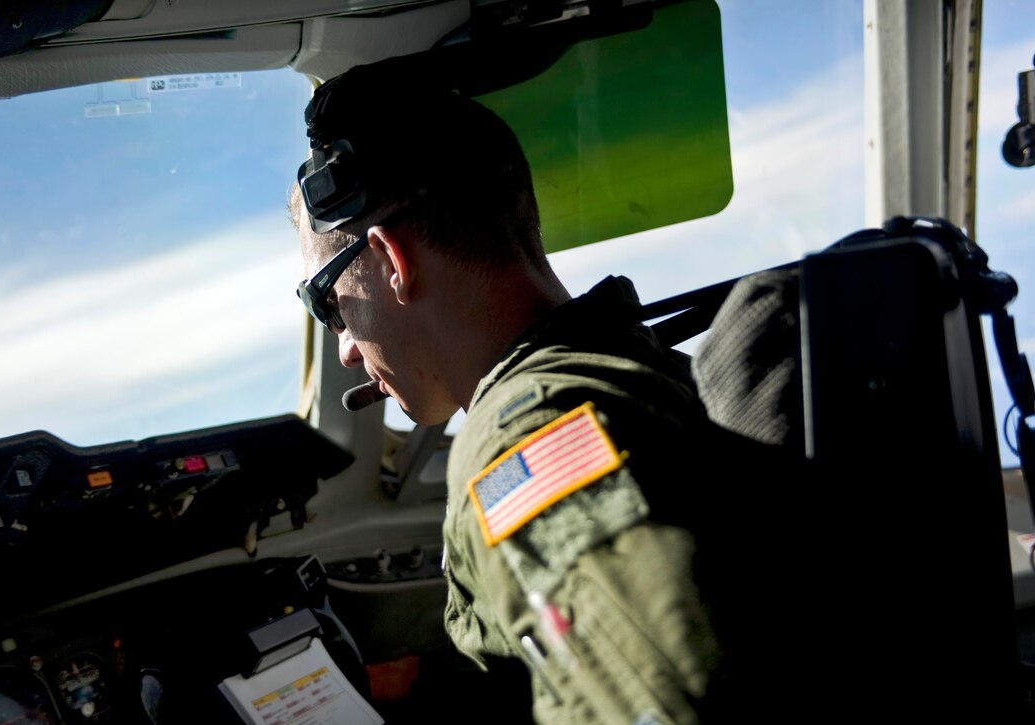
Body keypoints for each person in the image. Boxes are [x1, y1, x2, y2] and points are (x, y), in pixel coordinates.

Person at [290, 64, 723, 724]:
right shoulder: (646, 368)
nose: (346, 348)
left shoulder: (523, 439)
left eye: (330, 304)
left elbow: (672, 697)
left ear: (392, 262)